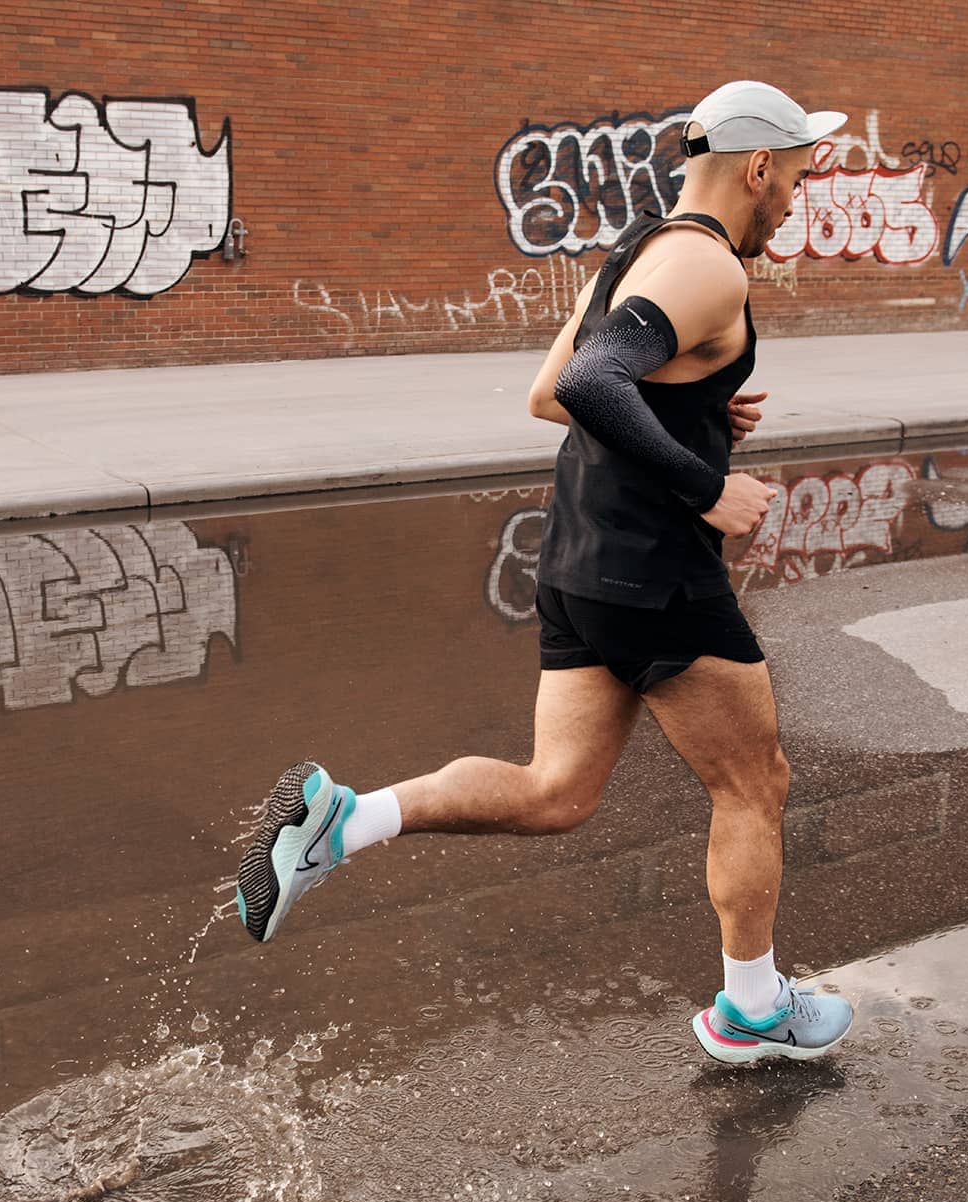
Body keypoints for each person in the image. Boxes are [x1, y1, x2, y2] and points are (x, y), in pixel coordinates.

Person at [235, 81, 855, 1065]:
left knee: (556, 788)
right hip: (656, 575)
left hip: (580, 564)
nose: (796, 202)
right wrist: (706, 483)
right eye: (798, 179)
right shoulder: (710, 269)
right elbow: (586, 384)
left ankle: (343, 822)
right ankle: (752, 1009)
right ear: (758, 168)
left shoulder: (636, 250)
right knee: (755, 781)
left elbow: (548, 392)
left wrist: (697, 410)